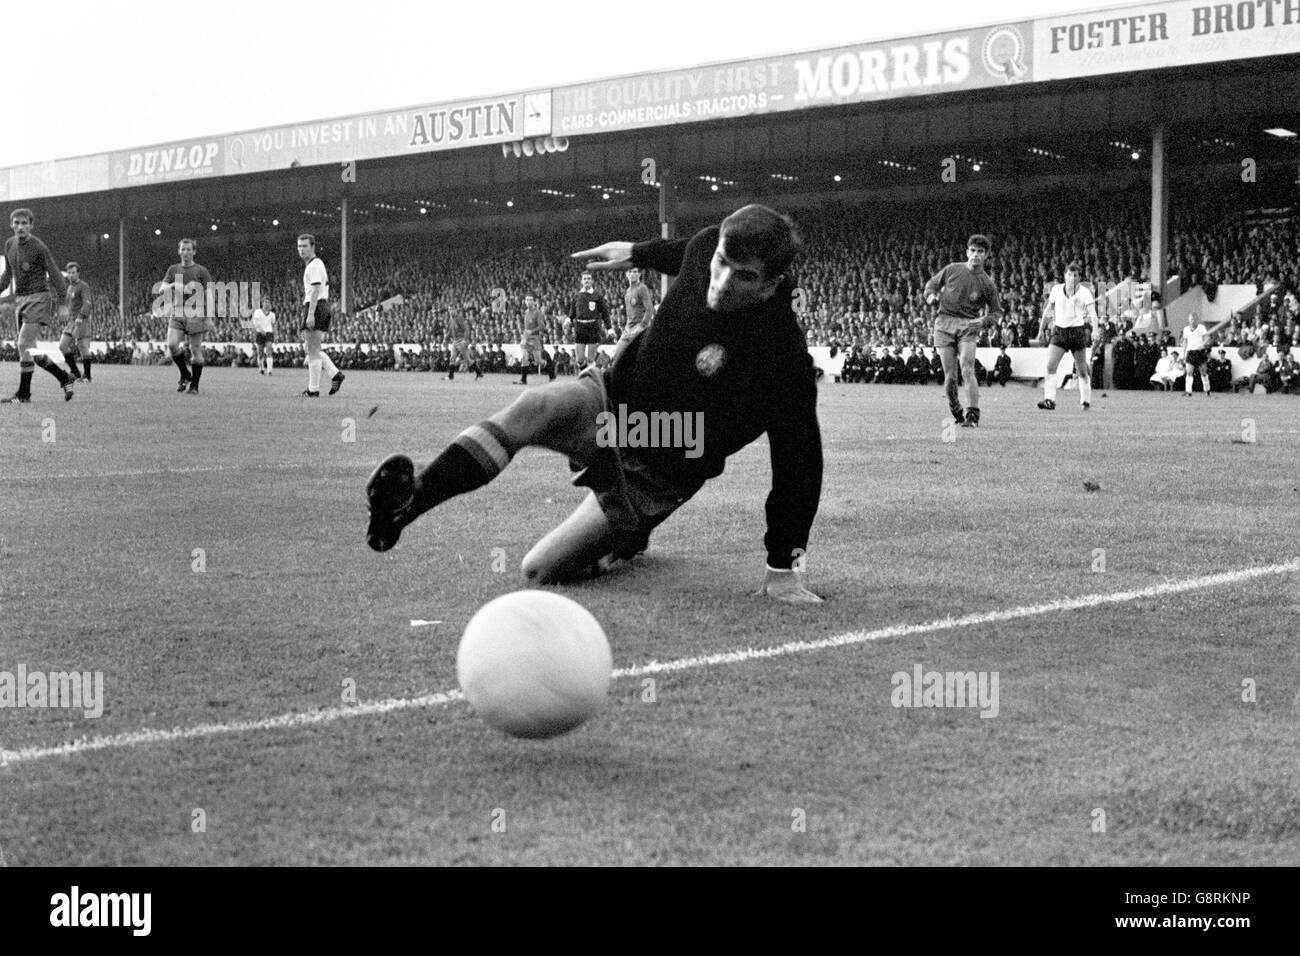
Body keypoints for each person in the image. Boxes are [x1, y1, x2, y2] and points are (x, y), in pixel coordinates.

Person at [364, 203, 824, 602]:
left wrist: (783, 569)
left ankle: (625, 538)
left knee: (539, 569)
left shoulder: (783, 357)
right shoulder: (706, 246)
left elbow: (799, 465)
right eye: (722, 262)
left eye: (744, 277)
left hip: (662, 461)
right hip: (615, 400)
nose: (721, 282)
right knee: (532, 407)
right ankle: (411, 500)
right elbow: (683, 251)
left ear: (771, 283)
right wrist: (635, 253)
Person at [924, 234, 1004, 427]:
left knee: (967, 368)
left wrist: (983, 321)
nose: (976, 255)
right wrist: (931, 296)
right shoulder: (952, 269)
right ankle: (955, 408)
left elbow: (996, 312)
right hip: (944, 324)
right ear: (967, 252)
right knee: (950, 376)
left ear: (986, 256)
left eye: (981, 252)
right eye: (973, 251)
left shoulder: (987, 283)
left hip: (968, 326)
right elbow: (931, 285)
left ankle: (973, 415)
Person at [0, 209, 75, 403]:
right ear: (11, 225)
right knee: (30, 350)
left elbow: (55, 273)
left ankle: (24, 394)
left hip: (39, 298)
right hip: (21, 300)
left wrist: (62, 303)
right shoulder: (9, 245)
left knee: (23, 343)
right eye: (16, 223)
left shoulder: (39, 247)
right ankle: (64, 377)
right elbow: (8, 276)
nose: (20, 227)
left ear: (31, 225)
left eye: (25, 223)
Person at [158, 238, 217, 394]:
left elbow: (209, 295)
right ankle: (185, 374)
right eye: (183, 249)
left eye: (189, 249)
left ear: (194, 252)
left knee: (195, 349)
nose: (185, 252)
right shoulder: (173, 269)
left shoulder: (201, 271)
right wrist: (172, 285)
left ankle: (194, 386)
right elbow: (162, 289)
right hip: (177, 313)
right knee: (171, 345)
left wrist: (209, 318)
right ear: (179, 251)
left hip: (196, 314)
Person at [1037, 261, 1096, 411]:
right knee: (1050, 366)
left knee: (1081, 370)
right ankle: (1049, 400)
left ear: (1079, 277)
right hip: (1059, 331)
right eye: (1069, 274)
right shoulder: (1056, 290)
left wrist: (1095, 329)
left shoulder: (1084, 292)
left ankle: (1085, 401)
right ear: (1065, 275)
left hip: (1077, 332)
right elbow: (1047, 311)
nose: (1072, 278)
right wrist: (1041, 330)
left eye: (1075, 275)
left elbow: (1093, 313)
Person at [296, 234, 345, 397]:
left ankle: (313, 390)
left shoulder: (315, 265)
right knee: (311, 348)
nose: (301, 249)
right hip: (317, 305)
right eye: (299, 246)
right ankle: (335, 374)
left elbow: (316, 290)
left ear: (313, 247)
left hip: (316, 306)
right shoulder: (312, 265)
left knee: (313, 350)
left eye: (304, 246)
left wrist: (310, 314)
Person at [566, 271, 609, 371]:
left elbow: (605, 313)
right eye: (585, 279)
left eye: (589, 279)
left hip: (593, 327)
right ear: (581, 281)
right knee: (580, 360)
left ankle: (589, 379)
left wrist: (609, 328)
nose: (587, 281)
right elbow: (572, 313)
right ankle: (586, 372)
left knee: (590, 359)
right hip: (580, 327)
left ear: (592, 281)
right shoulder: (577, 296)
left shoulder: (597, 296)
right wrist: (568, 320)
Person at [57, 262, 93, 383]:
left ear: (78, 273)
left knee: (83, 347)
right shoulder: (70, 287)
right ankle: (76, 372)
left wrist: (81, 316)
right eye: (69, 273)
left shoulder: (83, 286)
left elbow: (87, 303)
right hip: (71, 321)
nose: (71, 275)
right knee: (62, 346)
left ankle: (87, 376)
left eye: (73, 272)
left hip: (81, 320)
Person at [515, 293, 552, 385]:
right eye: (527, 300)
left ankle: (552, 373)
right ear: (525, 301)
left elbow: (542, 326)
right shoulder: (526, 312)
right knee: (524, 357)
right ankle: (523, 380)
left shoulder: (538, 313)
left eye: (531, 300)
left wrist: (532, 331)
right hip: (526, 337)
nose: (528, 302)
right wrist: (525, 333)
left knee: (538, 360)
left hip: (535, 338)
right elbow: (526, 326)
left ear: (534, 301)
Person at [620, 267, 655, 347]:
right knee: (616, 355)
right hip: (628, 329)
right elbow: (629, 314)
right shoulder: (627, 292)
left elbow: (649, 308)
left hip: (639, 327)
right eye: (630, 271)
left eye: (635, 272)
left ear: (639, 274)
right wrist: (626, 327)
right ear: (626, 274)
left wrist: (642, 325)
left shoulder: (642, 288)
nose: (632, 274)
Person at [444, 308, 482, 381]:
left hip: (461, 341)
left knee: (467, 359)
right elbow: (450, 331)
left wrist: (465, 340)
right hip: (455, 342)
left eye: (452, 309)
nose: (451, 311)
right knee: (452, 358)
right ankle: (450, 376)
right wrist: (445, 338)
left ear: (455, 310)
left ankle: (479, 373)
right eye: (449, 309)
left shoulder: (459, 318)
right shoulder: (450, 320)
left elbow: (466, 329)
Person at [250, 296, 276, 375]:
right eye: (265, 302)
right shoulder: (258, 312)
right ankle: (261, 368)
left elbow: (274, 325)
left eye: (268, 302)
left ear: (270, 304)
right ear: (262, 303)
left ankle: (269, 370)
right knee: (260, 353)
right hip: (260, 333)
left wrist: (276, 335)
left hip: (269, 333)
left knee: (269, 351)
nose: (266, 304)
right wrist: (261, 330)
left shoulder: (272, 314)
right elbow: (255, 323)